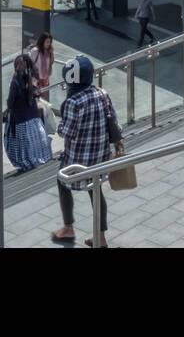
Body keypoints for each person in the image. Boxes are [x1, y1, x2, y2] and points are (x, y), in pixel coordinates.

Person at [51, 56, 123, 247]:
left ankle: (68, 228)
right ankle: (101, 236)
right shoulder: (102, 93)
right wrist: (117, 141)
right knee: (96, 190)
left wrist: (58, 126)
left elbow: (68, 132)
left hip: (77, 159)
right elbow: (113, 120)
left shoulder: (72, 102)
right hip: (99, 155)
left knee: (62, 181)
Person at [6, 53, 52, 172]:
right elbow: (36, 93)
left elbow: (10, 101)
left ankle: (25, 161)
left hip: (20, 117)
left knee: (22, 142)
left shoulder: (16, 80)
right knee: (36, 138)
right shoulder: (33, 75)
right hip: (33, 114)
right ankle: (40, 157)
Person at [29, 31, 55, 95]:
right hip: (36, 80)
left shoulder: (48, 51)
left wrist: (52, 52)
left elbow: (51, 62)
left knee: (42, 98)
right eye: (47, 42)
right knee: (36, 97)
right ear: (42, 41)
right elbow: (30, 64)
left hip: (45, 79)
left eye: (50, 42)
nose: (49, 44)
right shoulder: (35, 51)